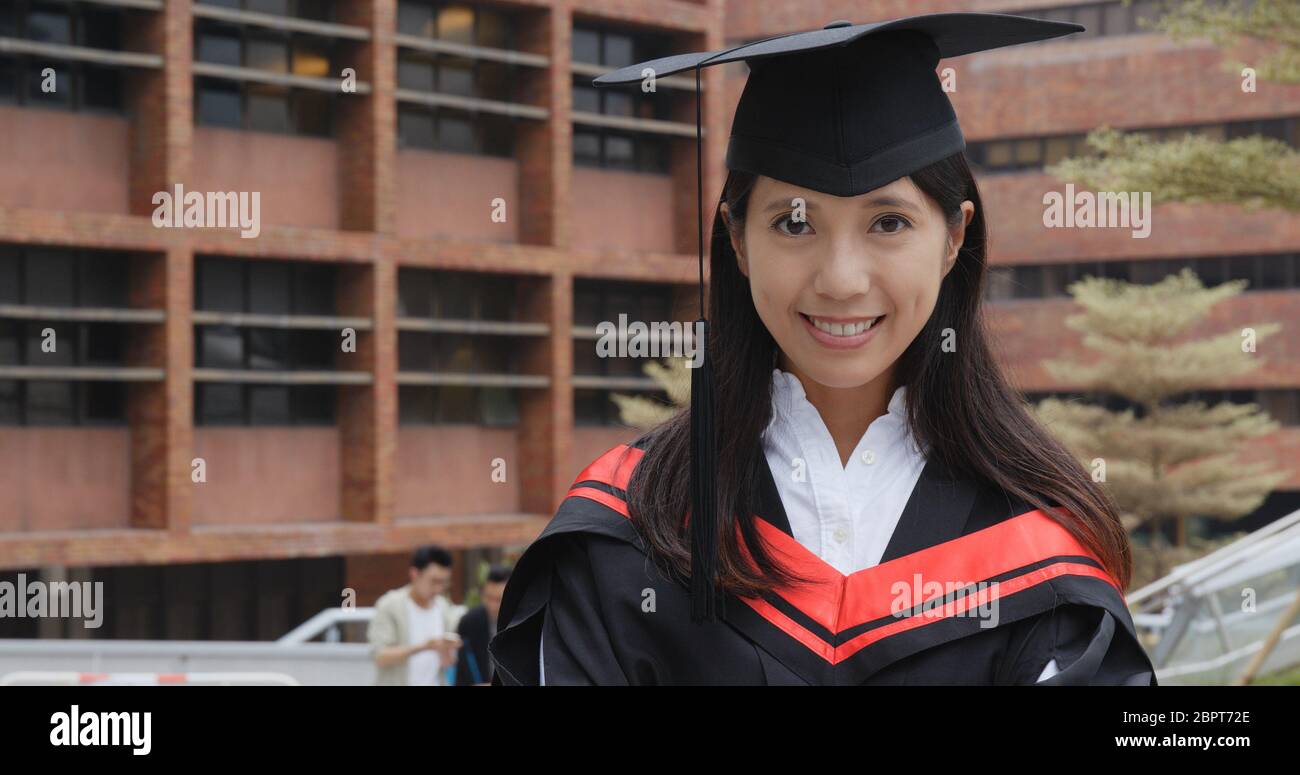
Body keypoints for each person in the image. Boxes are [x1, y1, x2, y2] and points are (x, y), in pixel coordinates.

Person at [490, 13, 1159, 685]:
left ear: (955, 237)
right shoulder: (629, 527)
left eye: (889, 222)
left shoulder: (1038, 550)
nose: (841, 279)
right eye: (794, 223)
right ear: (739, 238)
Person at [368, 545, 464, 686]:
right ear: (414, 574)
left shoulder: (442, 606)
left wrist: (448, 650)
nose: (438, 588)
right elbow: (380, 656)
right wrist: (424, 647)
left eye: (443, 582)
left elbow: (446, 663)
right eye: (434, 581)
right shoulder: (390, 605)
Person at [454, 564, 512, 686]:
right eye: (488, 597)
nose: (492, 605)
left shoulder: (522, 621)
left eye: (498, 599)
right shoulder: (469, 622)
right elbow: (462, 671)